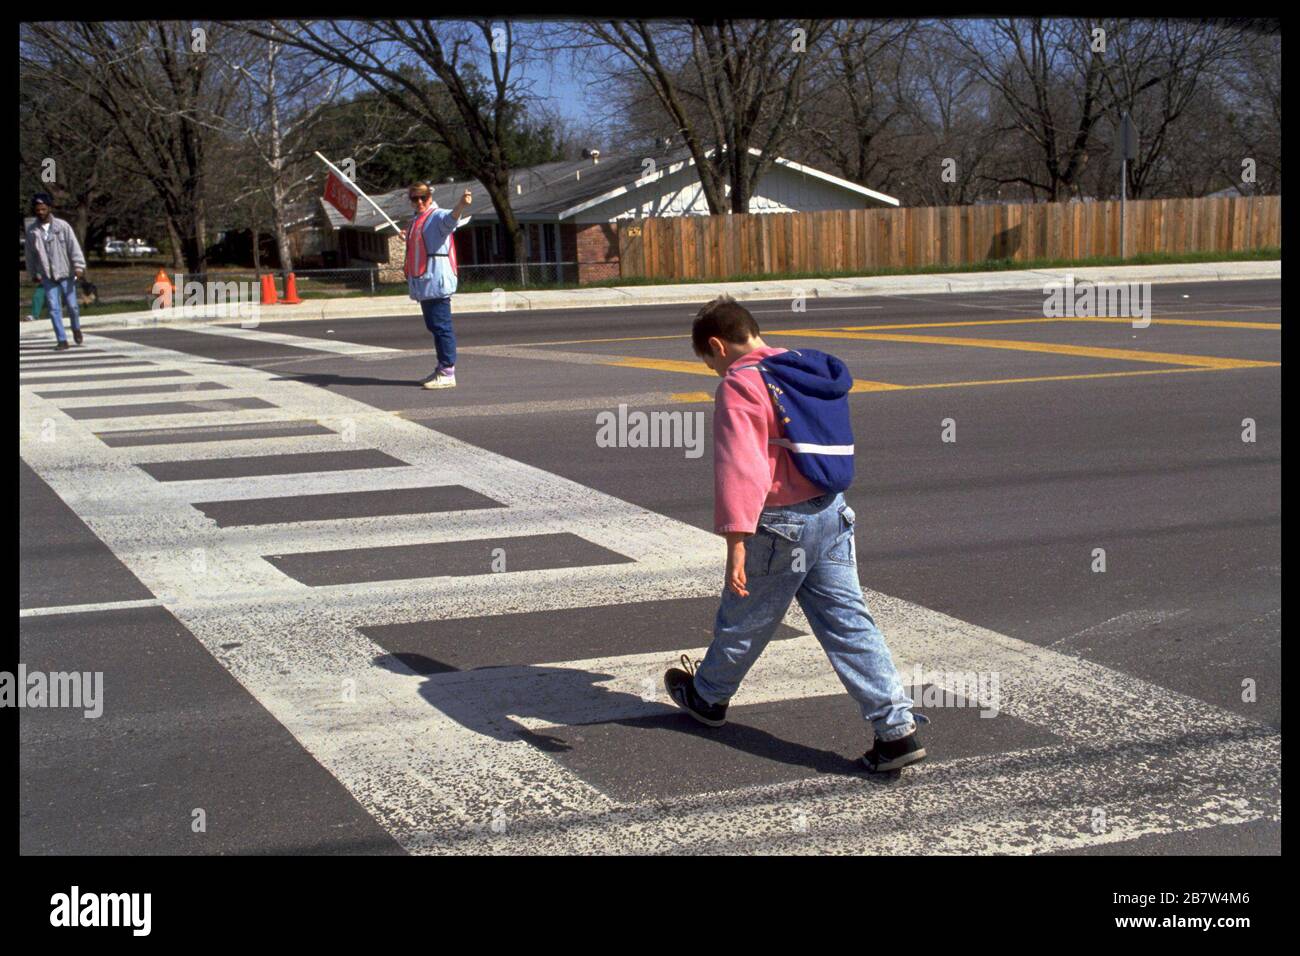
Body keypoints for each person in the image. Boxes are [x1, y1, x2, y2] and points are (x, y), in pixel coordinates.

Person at [663, 295, 929, 773]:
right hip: (832, 511)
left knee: (744, 617)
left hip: (782, 523)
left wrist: (736, 541)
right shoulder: (807, 369)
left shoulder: (741, 384)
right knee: (849, 624)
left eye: (710, 361)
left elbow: (742, 467)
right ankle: (896, 731)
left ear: (718, 345)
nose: (715, 371)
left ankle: (707, 697)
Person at [405, 182, 472, 389]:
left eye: (422, 197)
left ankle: (448, 371)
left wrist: (461, 204)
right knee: (434, 326)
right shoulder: (418, 220)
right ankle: (442, 367)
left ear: (430, 197)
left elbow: (450, 220)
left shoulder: (436, 216)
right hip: (425, 283)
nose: (419, 202)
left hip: (436, 281)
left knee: (442, 327)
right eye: (414, 198)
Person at [24, 193, 87, 350]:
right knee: (53, 308)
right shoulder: (32, 231)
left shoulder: (62, 226)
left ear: (49, 208)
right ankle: (62, 340)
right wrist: (33, 273)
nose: (40, 212)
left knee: (72, 306)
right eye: (37, 209)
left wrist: (79, 266)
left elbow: (74, 247)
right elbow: (30, 255)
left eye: (43, 209)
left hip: (66, 272)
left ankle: (76, 328)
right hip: (47, 275)